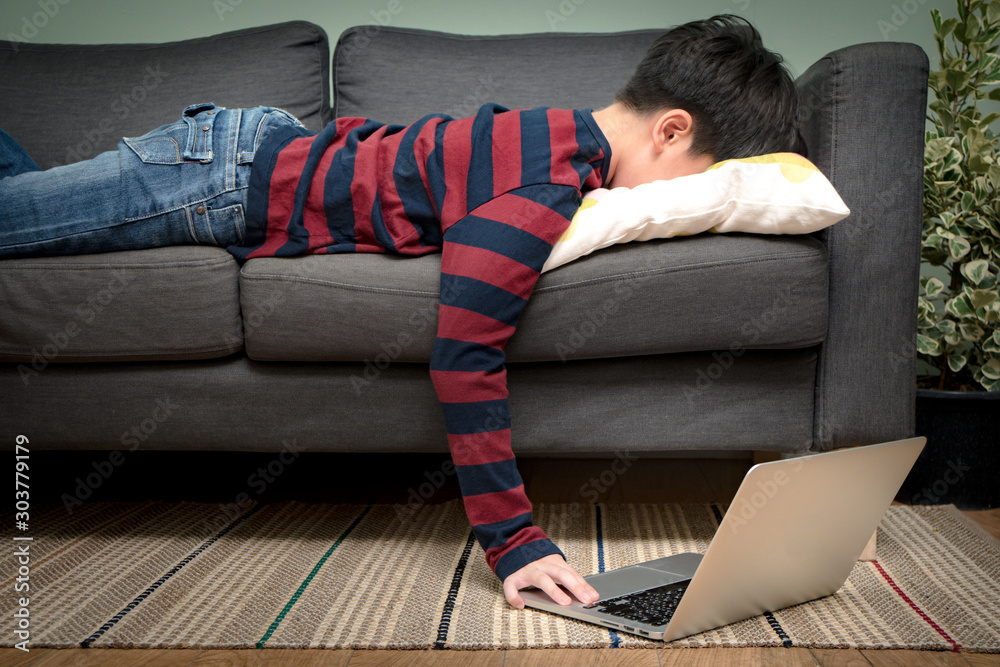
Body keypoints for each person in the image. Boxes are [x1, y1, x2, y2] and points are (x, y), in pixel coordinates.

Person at [0, 15, 799, 609]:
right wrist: (514, 539)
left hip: (244, 150)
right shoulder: (542, 179)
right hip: (212, 178)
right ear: (671, 129)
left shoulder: (555, 141)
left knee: (27, 204)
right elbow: (465, 355)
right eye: (698, 183)